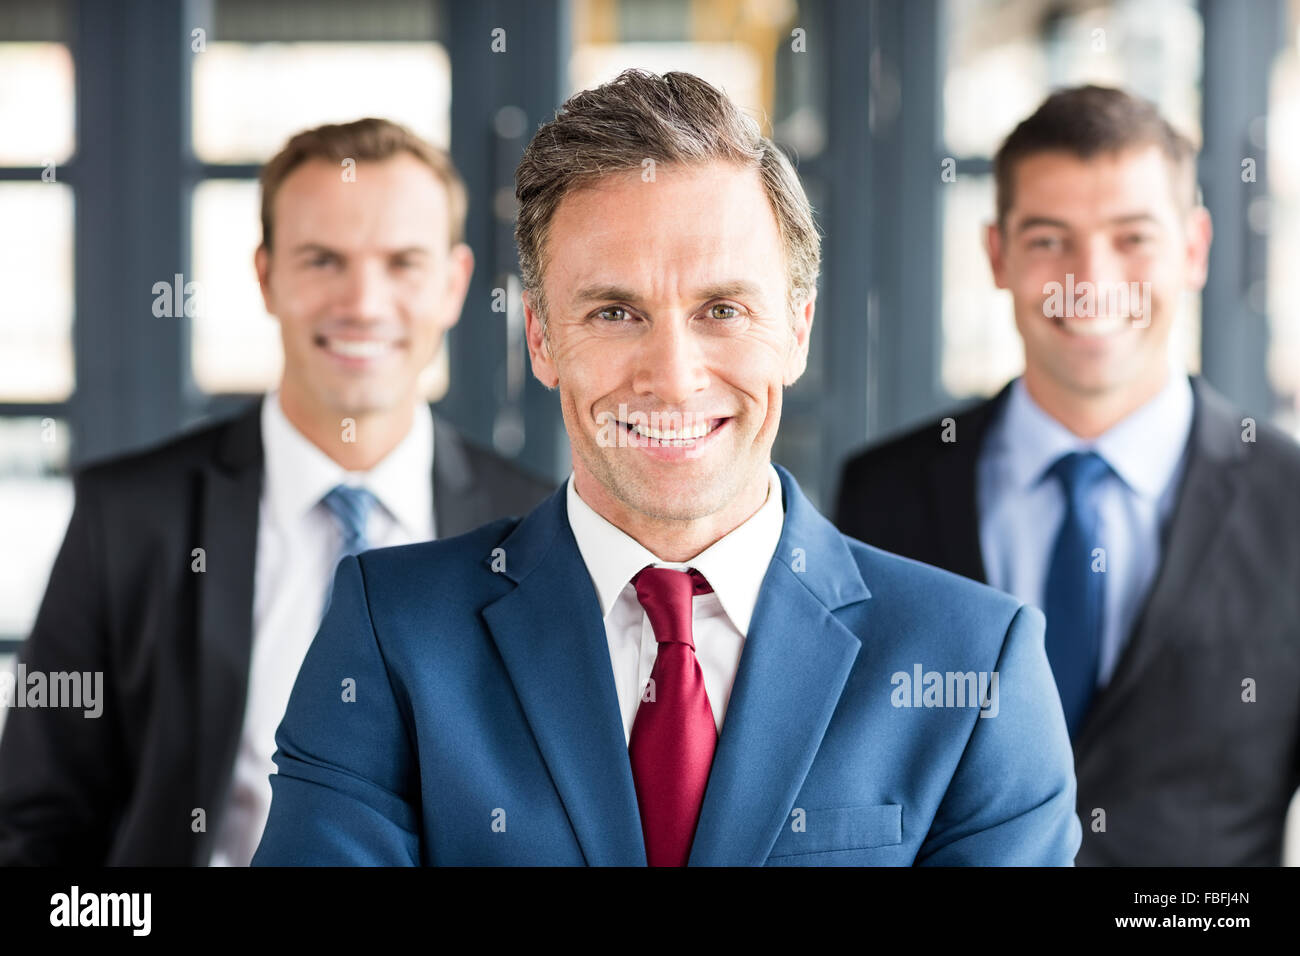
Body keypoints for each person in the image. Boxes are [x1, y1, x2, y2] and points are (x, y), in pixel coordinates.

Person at [252, 71, 1080, 867]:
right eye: (616, 312)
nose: (672, 374)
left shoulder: (977, 662)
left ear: (796, 331)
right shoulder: (393, 633)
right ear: (541, 339)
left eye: (722, 310)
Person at [0, 118, 553, 866]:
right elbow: (36, 820)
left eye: (403, 263)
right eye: (323, 260)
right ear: (266, 277)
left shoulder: (537, 527)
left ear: (454, 285)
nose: (362, 302)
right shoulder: (129, 518)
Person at [836, 86, 1300, 865]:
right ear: (997, 254)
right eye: (1050, 239)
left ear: (1194, 249)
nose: (1090, 278)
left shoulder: (1291, 505)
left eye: (1132, 238)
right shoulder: (883, 493)